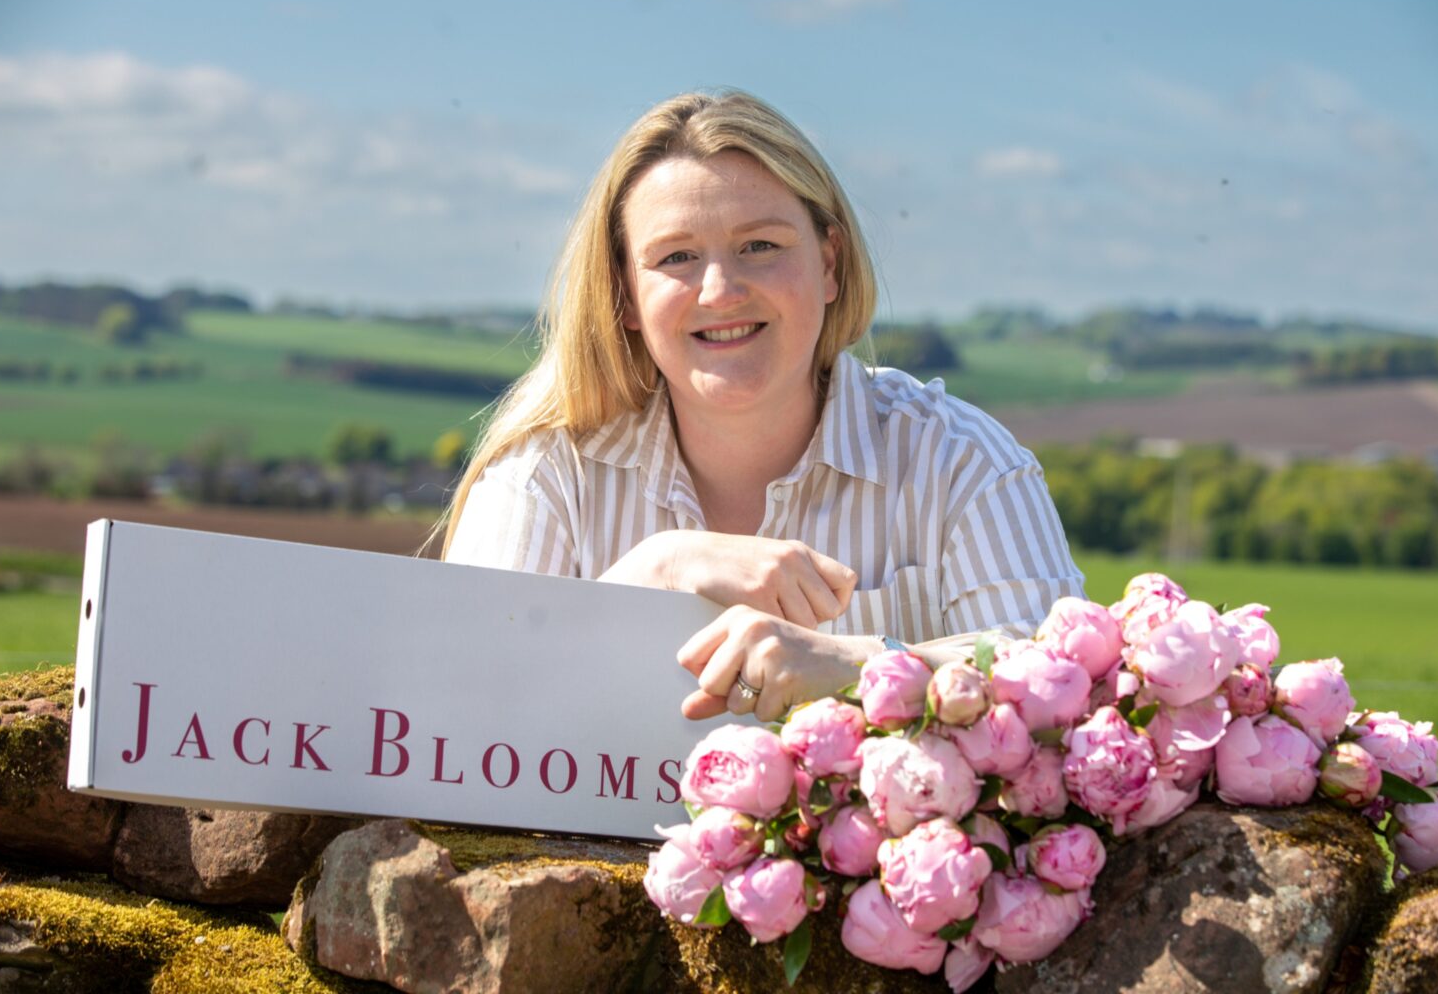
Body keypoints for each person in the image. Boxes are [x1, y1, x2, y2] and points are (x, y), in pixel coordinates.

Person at [440, 90, 1084, 722]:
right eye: (677, 257)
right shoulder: (547, 474)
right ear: (625, 298)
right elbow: (451, 695)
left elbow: (1060, 684)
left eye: (761, 246)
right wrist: (659, 568)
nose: (721, 291)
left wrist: (861, 666)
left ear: (829, 263)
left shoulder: (960, 459)